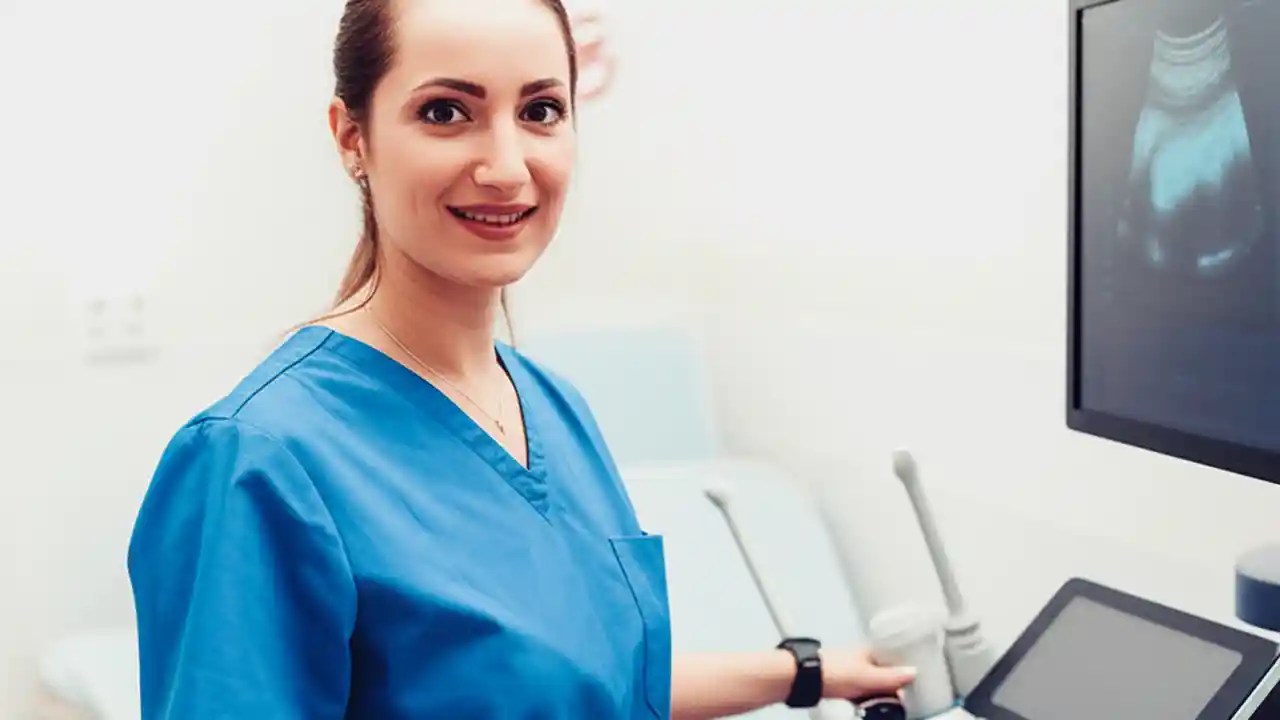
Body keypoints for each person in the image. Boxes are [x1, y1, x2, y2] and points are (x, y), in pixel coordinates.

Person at [125, 0, 918, 718]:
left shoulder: (552, 406)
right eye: (445, 112)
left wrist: (805, 672)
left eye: (540, 111)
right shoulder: (256, 458)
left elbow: (588, 687)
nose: (506, 167)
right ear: (352, 138)